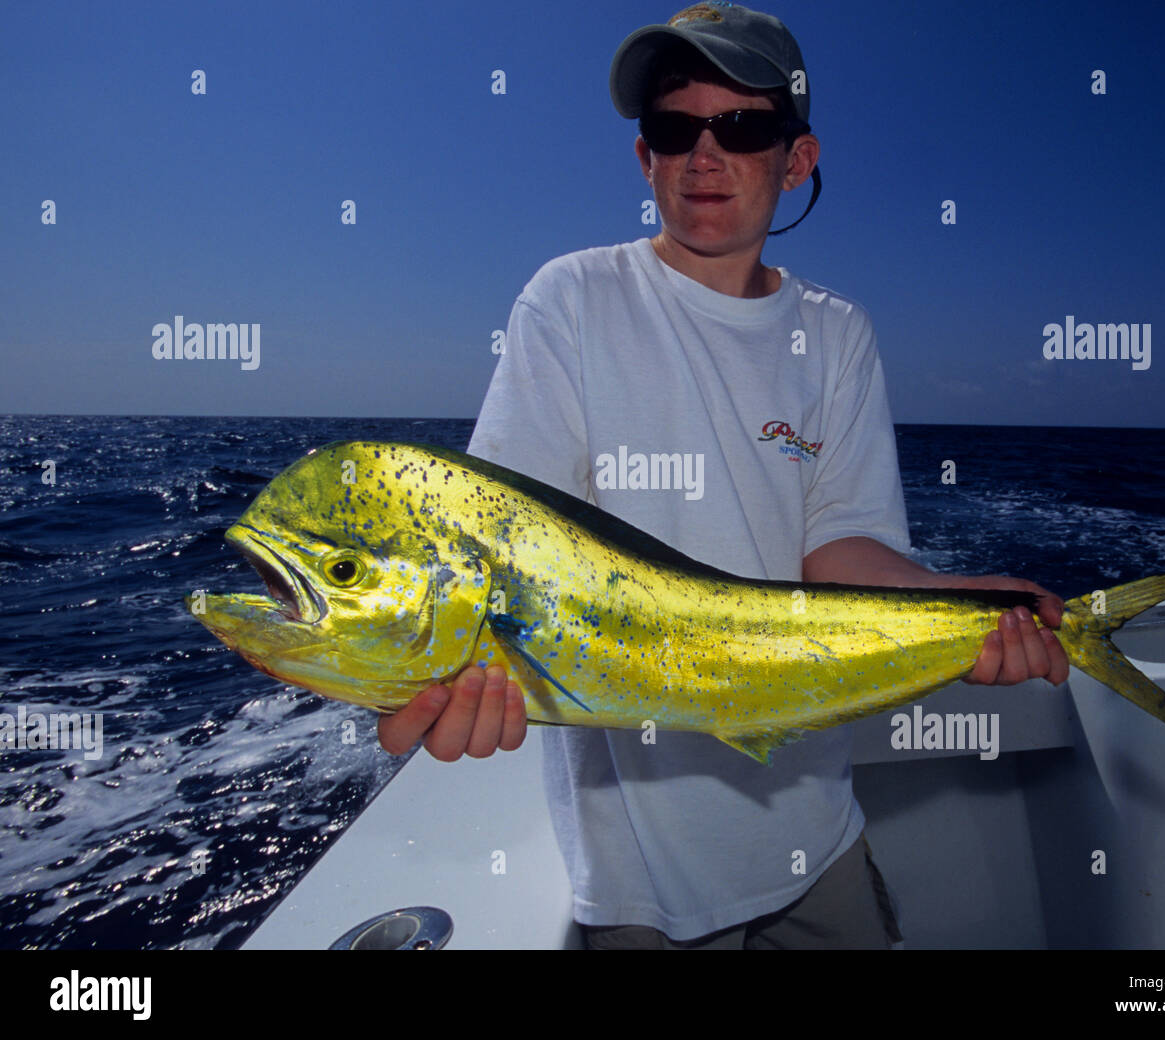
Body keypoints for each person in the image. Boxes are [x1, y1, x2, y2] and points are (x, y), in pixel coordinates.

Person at [378, 3, 1069, 949]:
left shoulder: (837, 334)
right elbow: (497, 549)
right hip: (636, 891)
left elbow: (842, 542)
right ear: (644, 160)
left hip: (817, 840)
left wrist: (962, 602)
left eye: (741, 128)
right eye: (673, 129)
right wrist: (416, 667)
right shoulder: (569, 300)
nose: (704, 157)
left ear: (797, 160)